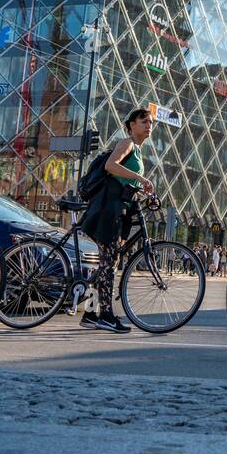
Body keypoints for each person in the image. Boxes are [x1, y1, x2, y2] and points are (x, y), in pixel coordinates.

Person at [80, 108, 154, 332]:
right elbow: (110, 166)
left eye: (151, 122)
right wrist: (140, 177)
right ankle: (106, 316)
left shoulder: (138, 150)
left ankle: (90, 314)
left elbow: (123, 180)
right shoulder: (127, 143)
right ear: (131, 124)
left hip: (119, 208)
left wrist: (141, 191)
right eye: (144, 121)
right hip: (107, 209)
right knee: (108, 264)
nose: (149, 125)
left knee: (108, 262)